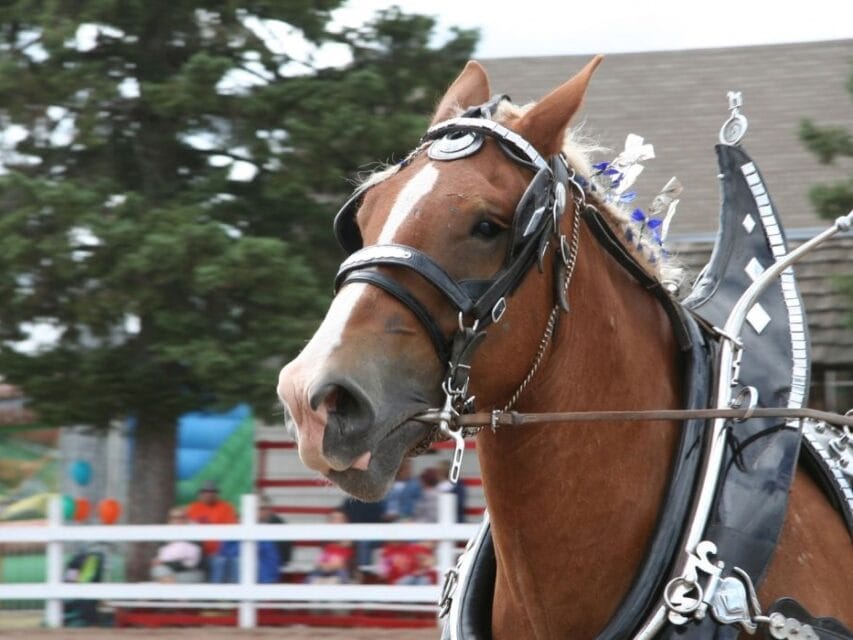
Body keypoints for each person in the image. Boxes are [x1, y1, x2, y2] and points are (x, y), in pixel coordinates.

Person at [185, 480, 238, 582]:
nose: (209, 494)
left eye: (212, 491)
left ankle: (231, 595)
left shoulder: (226, 508)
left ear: (216, 494)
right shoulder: (193, 508)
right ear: (200, 494)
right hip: (198, 553)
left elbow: (231, 532)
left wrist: (221, 551)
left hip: (222, 551)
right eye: (205, 491)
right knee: (219, 561)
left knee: (234, 561)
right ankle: (215, 596)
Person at [149, 507, 205, 583]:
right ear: (169, 520)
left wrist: (165, 561)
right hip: (168, 572)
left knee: (166, 580)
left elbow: (190, 563)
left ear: (187, 518)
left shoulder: (195, 533)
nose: (177, 520)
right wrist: (166, 560)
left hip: (190, 572)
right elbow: (159, 559)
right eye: (173, 518)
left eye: (181, 517)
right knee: (158, 570)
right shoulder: (164, 534)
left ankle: (172, 590)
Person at [304, 510, 353, 584]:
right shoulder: (325, 540)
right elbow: (320, 559)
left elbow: (345, 563)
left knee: (340, 577)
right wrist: (323, 565)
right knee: (311, 578)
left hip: (343, 572)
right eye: (334, 518)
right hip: (324, 569)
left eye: (340, 519)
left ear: (345, 521)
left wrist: (332, 566)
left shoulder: (351, 539)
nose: (336, 521)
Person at [340, 495, 385, 569]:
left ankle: (362, 571)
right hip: (352, 533)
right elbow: (344, 519)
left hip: (371, 534)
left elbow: (376, 523)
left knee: (364, 542)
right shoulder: (348, 502)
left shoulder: (375, 503)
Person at [259, 495, 292, 567]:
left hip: (274, 561)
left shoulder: (279, 524)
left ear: (270, 509)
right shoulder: (252, 523)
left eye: (263, 508)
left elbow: (284, 552)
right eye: (258, 509)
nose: (260, 511)